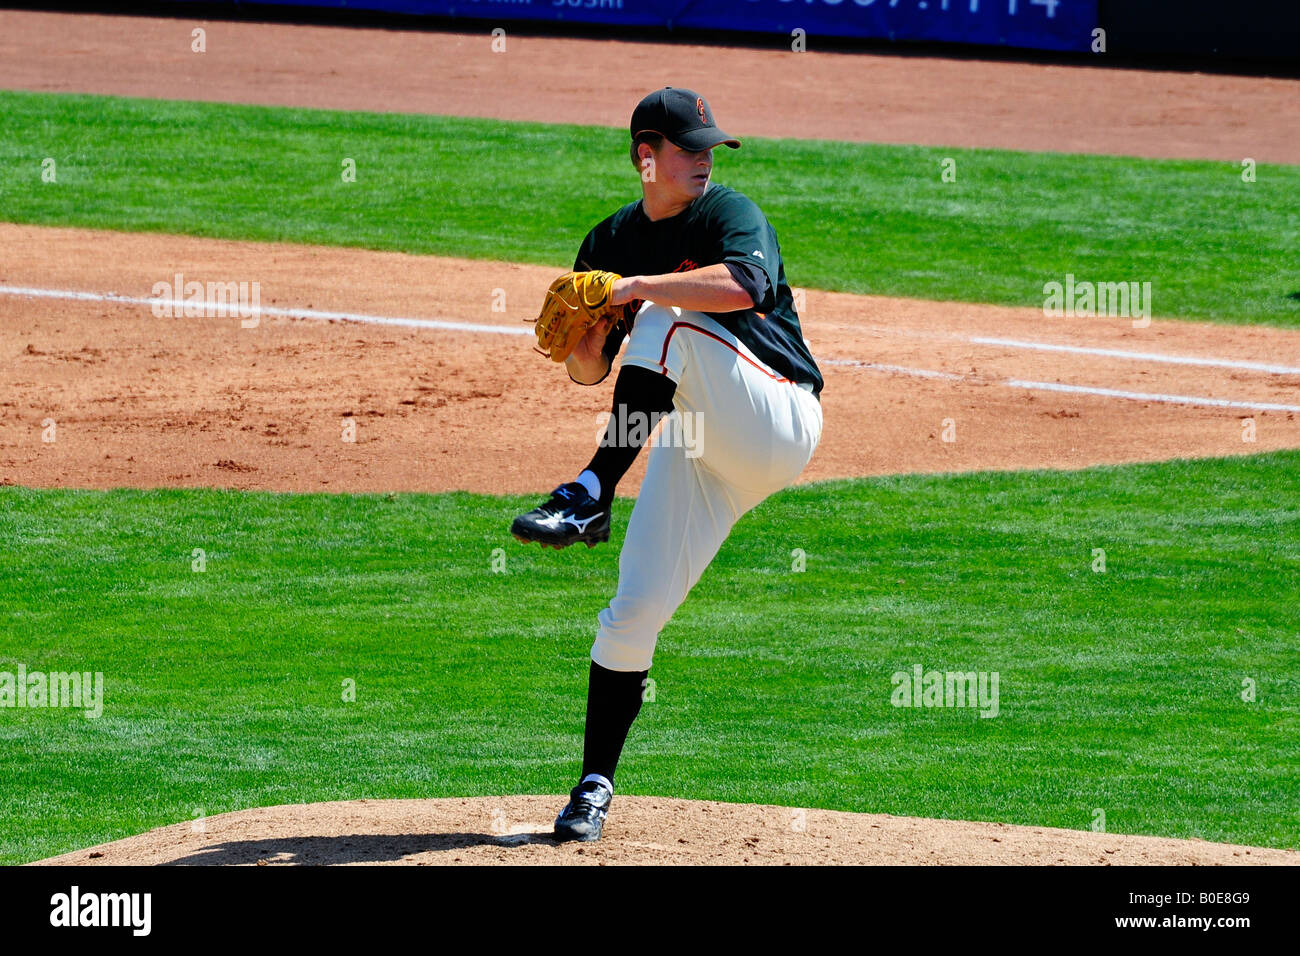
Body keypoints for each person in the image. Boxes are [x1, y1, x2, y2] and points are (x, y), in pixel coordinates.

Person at [511, 87, 824, 842]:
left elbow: (744, 285)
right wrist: (589, 343)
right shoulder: (609, 240)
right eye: (690, 148)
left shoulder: (730, 215)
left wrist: (634, 289)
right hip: (699, 448)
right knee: (632, 612)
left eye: (711, 147)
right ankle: (592, 786)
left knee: (666, 317)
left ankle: (591, 490)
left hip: (776, 417)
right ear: (645, 158)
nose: (706, 160)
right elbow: (591, 372)